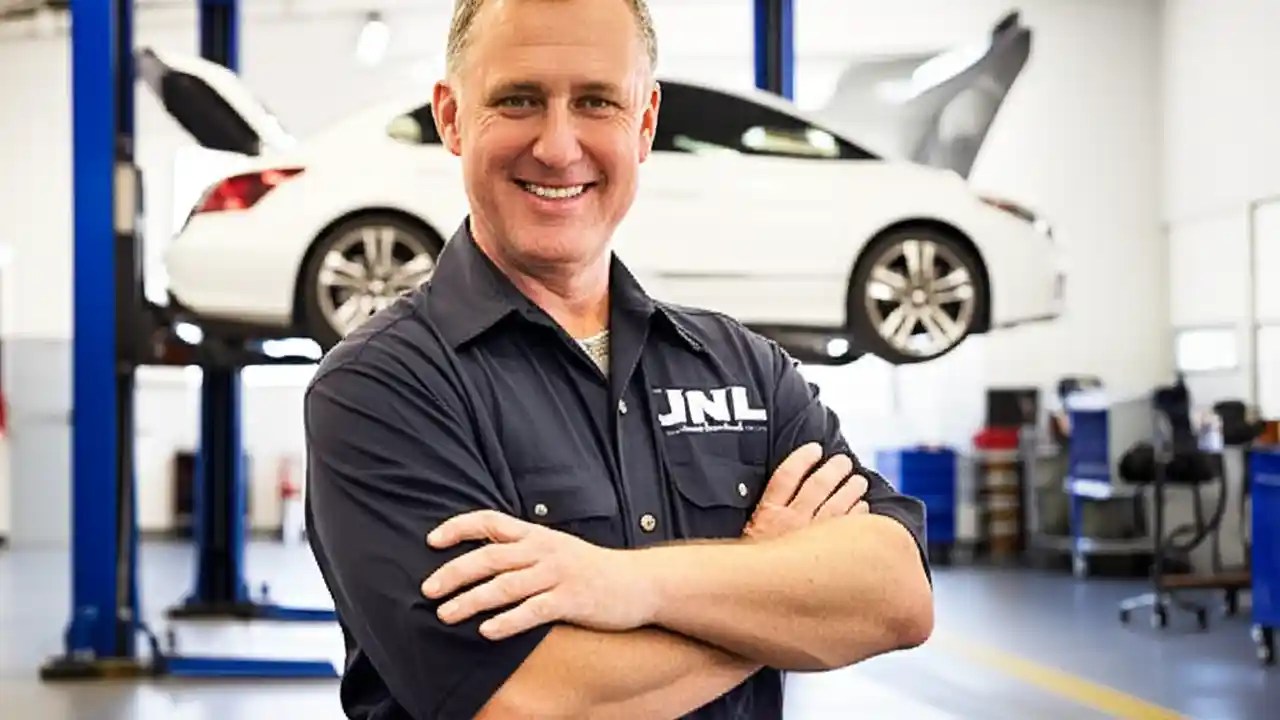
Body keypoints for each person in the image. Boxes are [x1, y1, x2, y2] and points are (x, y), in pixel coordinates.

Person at [303, 0, 934, 717]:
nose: (557, 146)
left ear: (645, 122)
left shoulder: (743, 368)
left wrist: (628, 585)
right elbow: (525, 703)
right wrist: (773, 592)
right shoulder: (383, 387)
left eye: (597, 101)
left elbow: (897, 597)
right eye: (518, 100)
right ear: (451, 117)